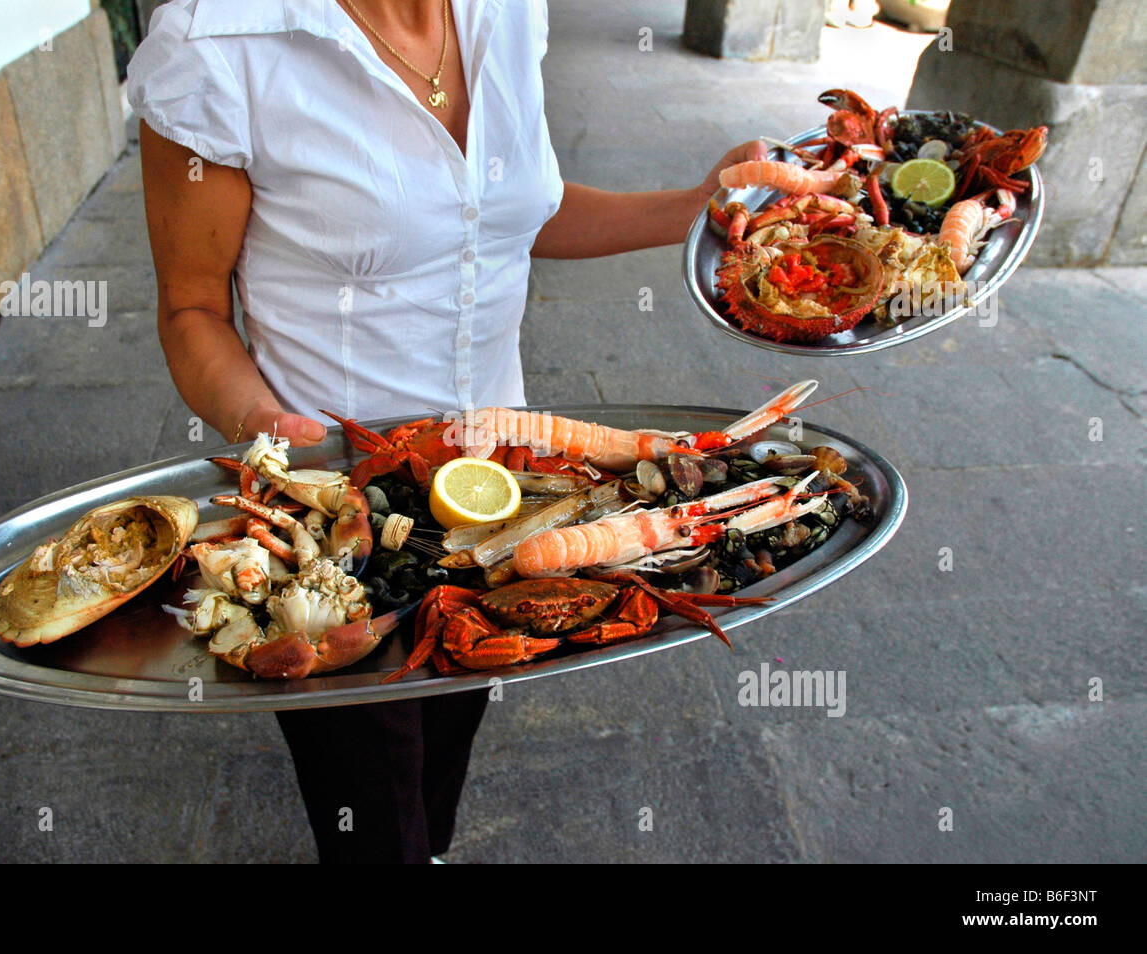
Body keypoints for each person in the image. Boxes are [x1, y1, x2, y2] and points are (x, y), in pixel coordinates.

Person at [127, 0, 764, 864]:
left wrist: (693, 207)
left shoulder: (507, 9)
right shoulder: (217, 44)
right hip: (339, 518)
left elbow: (507, 211)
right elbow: (191, 307)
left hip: (505, 490)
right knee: (369, 789)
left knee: (453, 717)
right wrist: (274, 432)